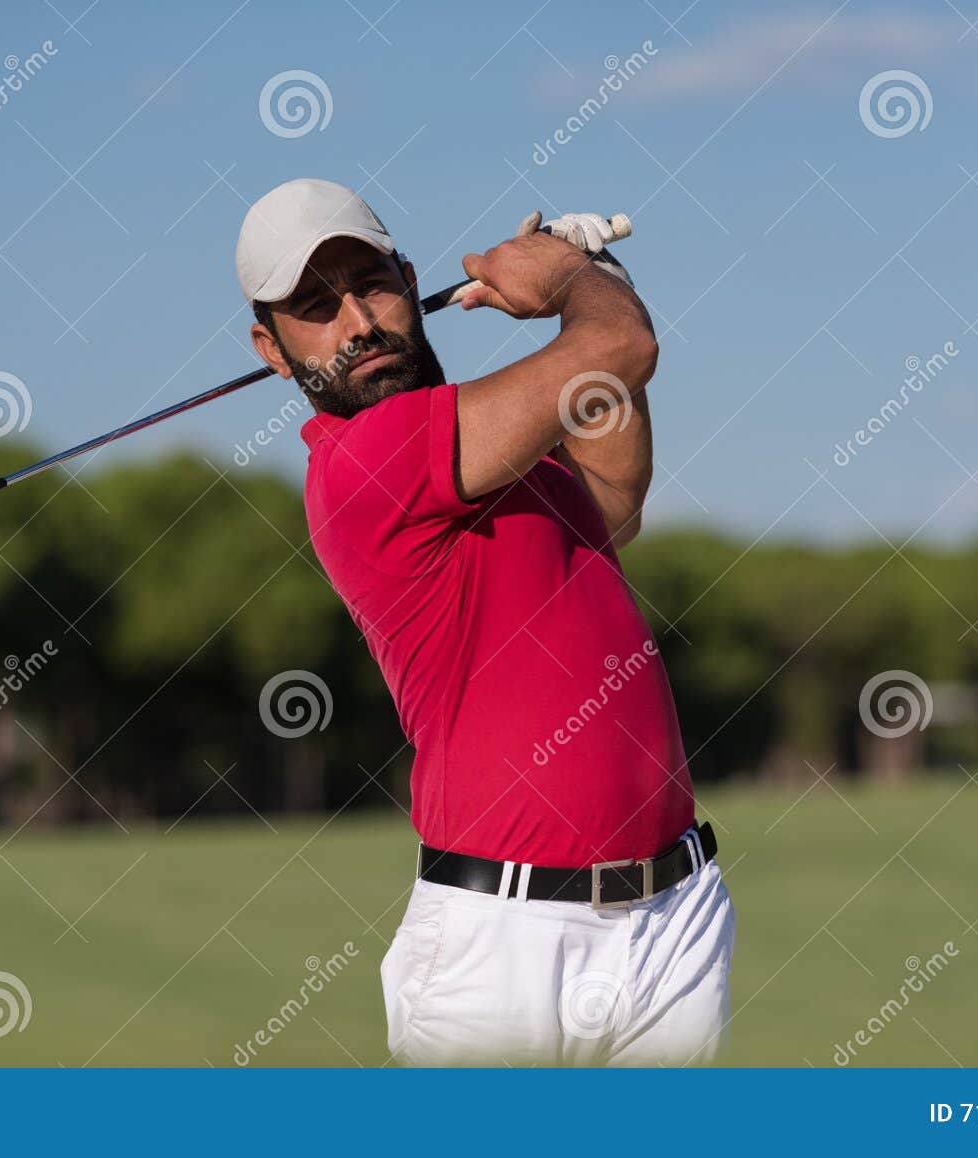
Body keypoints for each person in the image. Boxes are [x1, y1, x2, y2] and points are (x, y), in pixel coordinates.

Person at [237, 178, 734, 1065]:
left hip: (675, 915)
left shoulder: (514, 464)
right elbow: (620, 342)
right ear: (272, 351)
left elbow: (616, 498)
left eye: (372, 286)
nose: (358, 323)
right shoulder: (369, 460)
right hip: (503, 944)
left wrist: (587, 284)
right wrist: (577, 289)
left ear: (412, 280)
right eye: (316, 309)